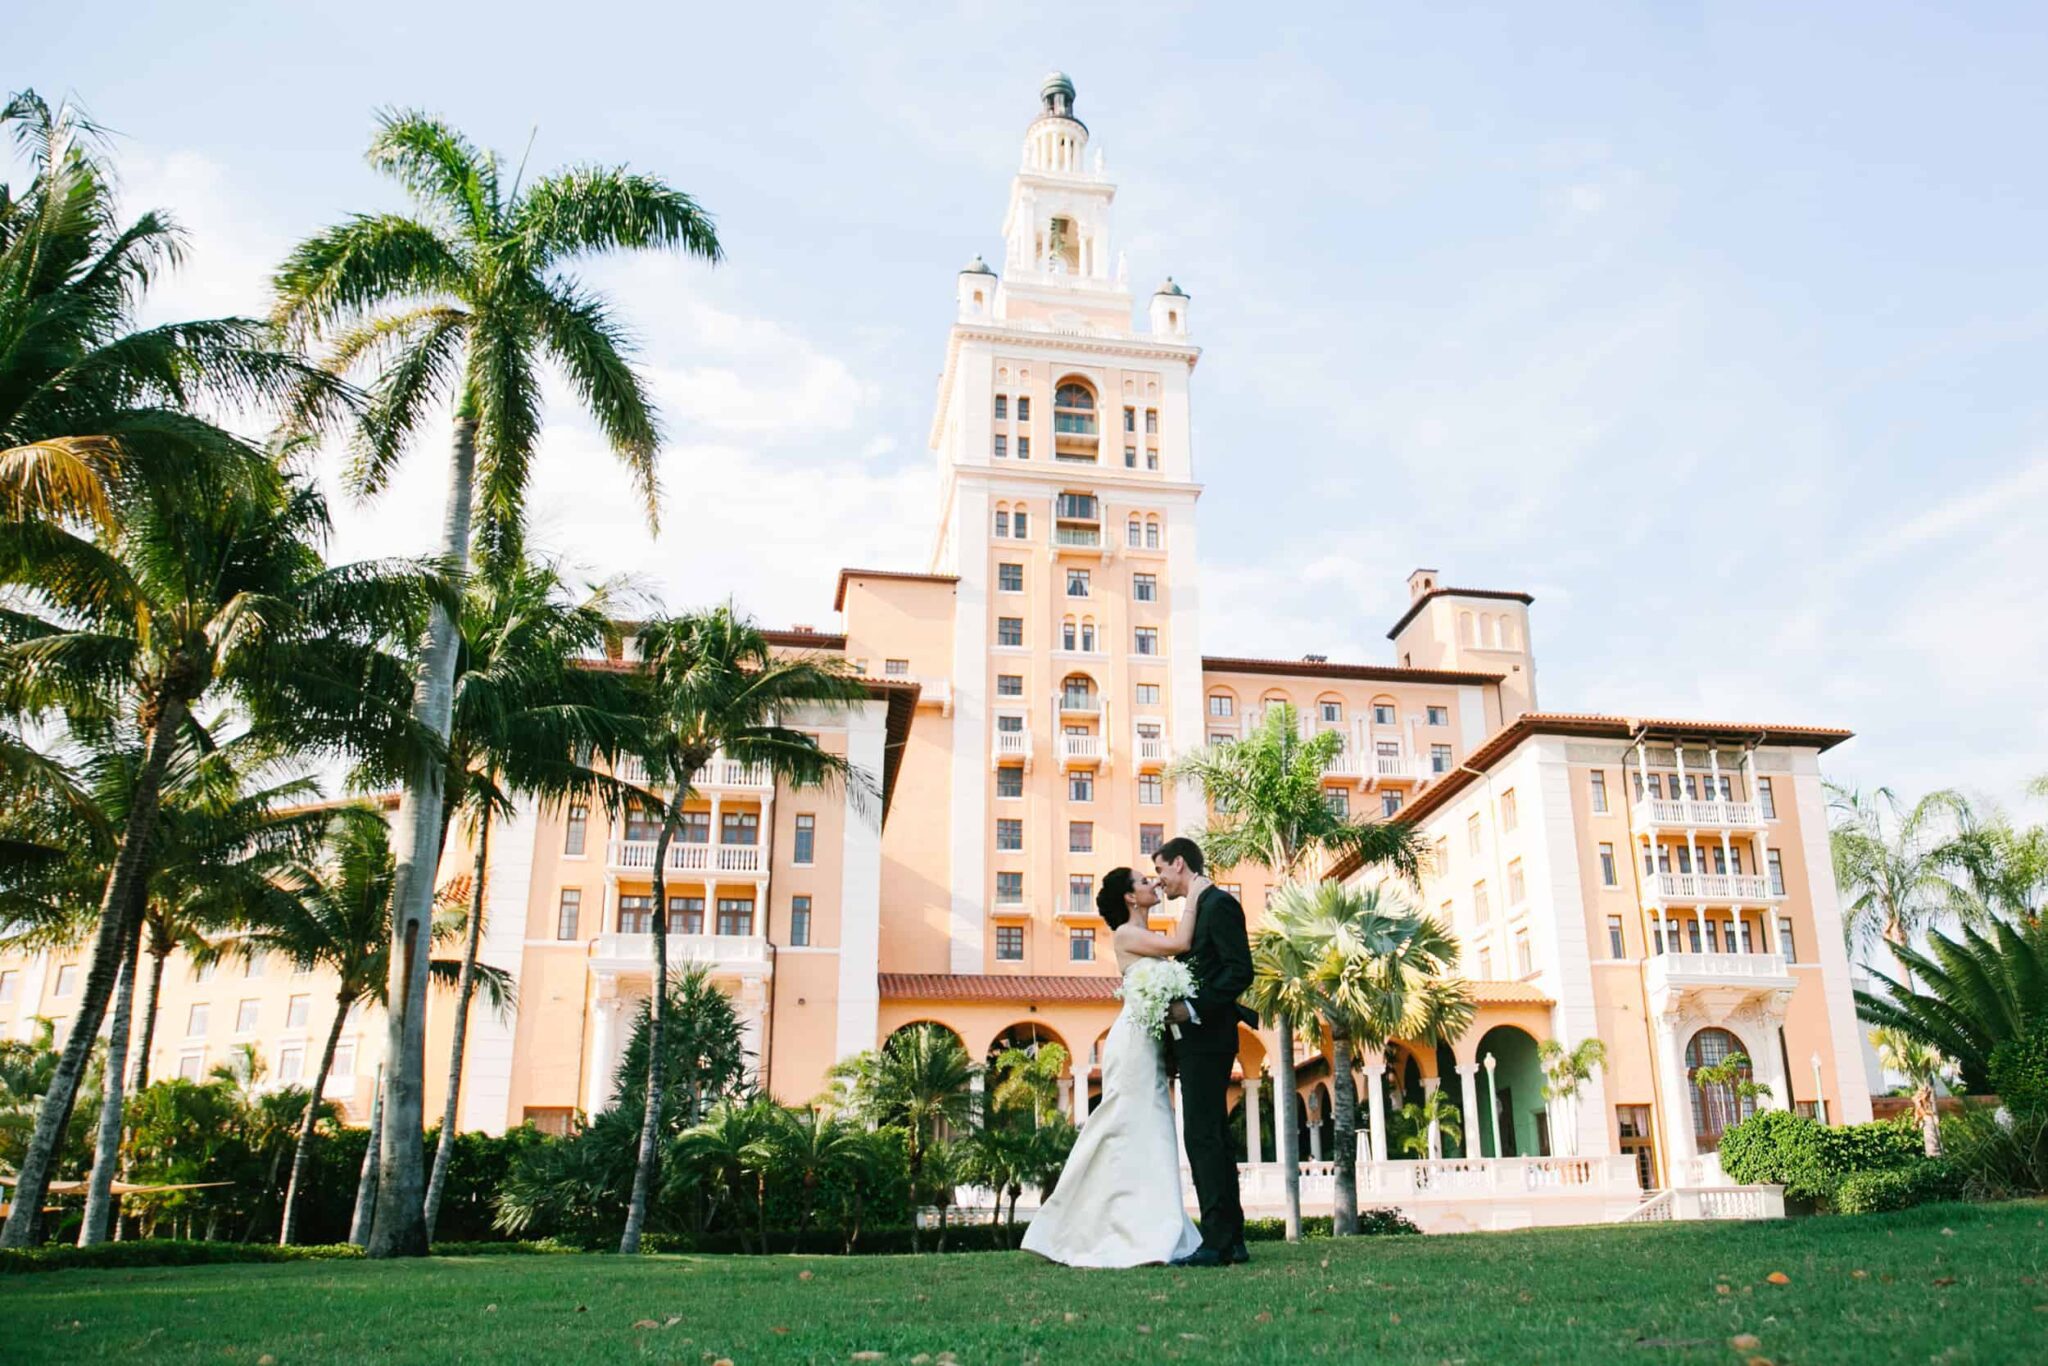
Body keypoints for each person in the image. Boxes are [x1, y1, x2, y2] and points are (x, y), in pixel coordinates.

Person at [1020, 868, 1204, 1268]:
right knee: (1125, 1124)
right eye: (1143, 881)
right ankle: (1067, 1223)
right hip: (1132, 1045)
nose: (1152, 883)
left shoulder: (1147, 936)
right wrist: (1194, 893)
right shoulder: (1125, 934)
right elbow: (1183, 941)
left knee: (1149, 1130)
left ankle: (1150, 1225)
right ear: (1129, 898)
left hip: (1151, 1044)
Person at [1152, 835, 1255, 1268]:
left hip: (1210, 1038)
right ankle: (1231, 1239)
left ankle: (1217, 1241)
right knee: (1210, 1136)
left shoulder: (1219, 905)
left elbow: (1240, 971)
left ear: (1179, 864)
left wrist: (1191, 1006)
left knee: (1203, 1136)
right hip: (1196, 1041)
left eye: (1160, 872)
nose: (1160, 883)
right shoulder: (1199, 910)